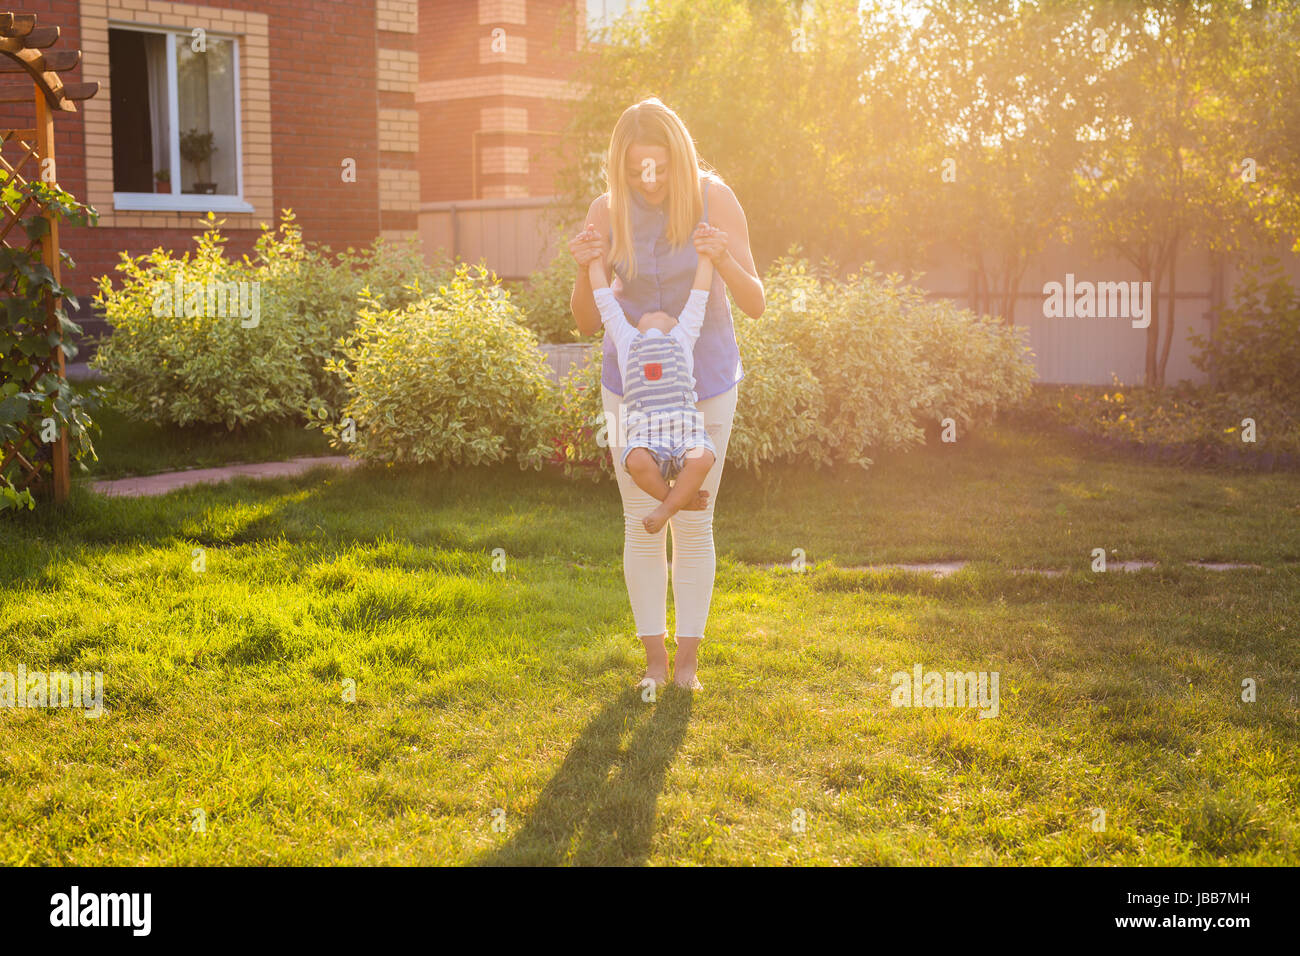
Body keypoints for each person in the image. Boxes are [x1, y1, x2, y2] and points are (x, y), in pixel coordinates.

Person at [568, 97, 765, 691]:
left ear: (677, 159)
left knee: (696, 525)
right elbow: (584, 321)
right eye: (635, 171)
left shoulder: (716, 199)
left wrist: (721, 256)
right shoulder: (606, 211)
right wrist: (585, 268)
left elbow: (755, 302)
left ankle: (687, 667)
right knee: (638, 520)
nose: (648, 181)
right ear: (619, 167)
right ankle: (652, 663)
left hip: (706, 379)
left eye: (657, 168)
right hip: (630, 390)